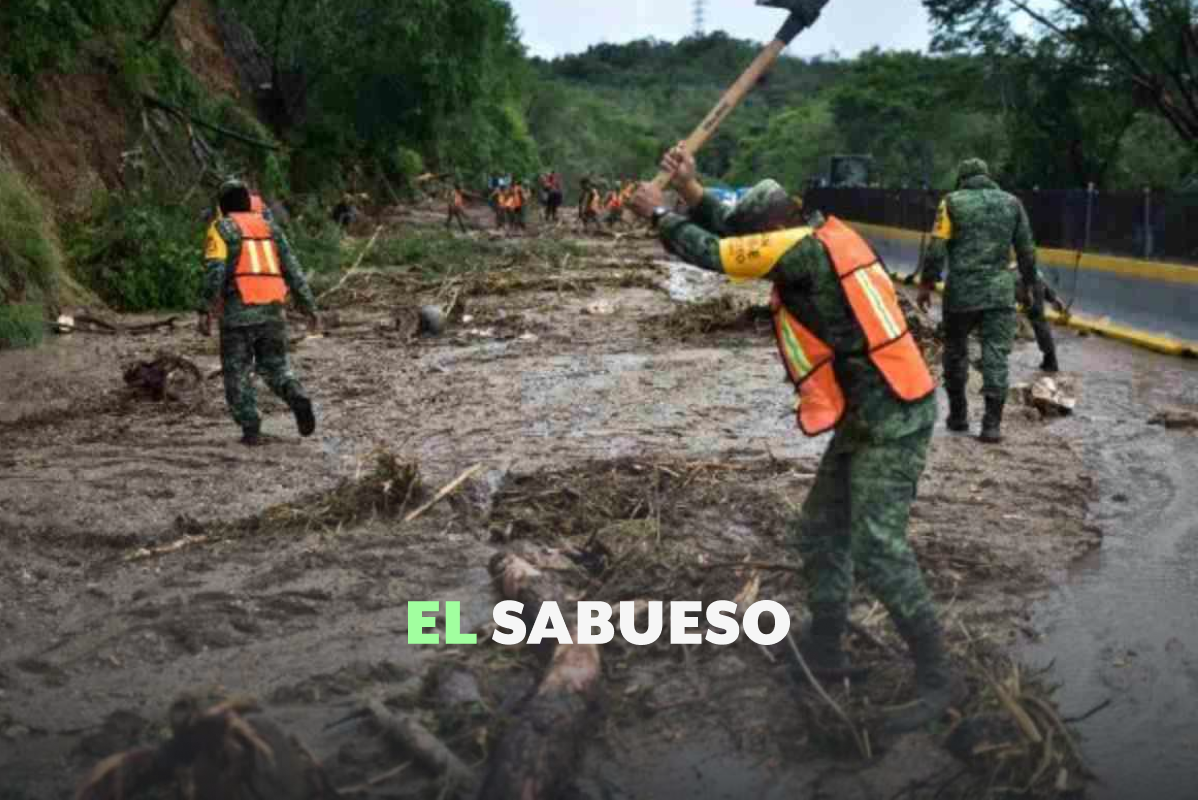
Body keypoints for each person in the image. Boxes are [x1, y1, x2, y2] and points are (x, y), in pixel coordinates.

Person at [628, 145, 953, 733]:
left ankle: (939, 675)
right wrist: (691, 188)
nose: (755, 243)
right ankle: (826, 645)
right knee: (820, 531)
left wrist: (659, 214)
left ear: (776, 227)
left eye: (759, 235)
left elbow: (720, 253)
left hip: (894, 416)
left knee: (877, 547)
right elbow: (735, 232)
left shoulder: (805, 254)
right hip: (867, 414)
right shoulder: (815, 231)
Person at [918, 158, 1038, 443]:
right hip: (1000, 294)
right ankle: (991, 425)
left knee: (955, 352)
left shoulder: (951, 202)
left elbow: (936, 249)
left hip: (962, 294)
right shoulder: (1012, 203)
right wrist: (1028, 285)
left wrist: (926, 285)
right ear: (988, 176)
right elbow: (1026, 250)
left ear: (962, 179)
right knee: (996, 355)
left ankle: (958, 416)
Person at [199, 180, 319, 446]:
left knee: (237, 372)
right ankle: (295, 394)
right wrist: (309, 307)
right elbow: (293, 269)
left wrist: (205, 309)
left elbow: (215, 271)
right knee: (276, 367)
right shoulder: (270, 228)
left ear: (222, 206)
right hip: (273, 310)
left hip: (237, 313)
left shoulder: (221, 229)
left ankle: (251, 429)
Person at [1018, 267, 1064, 373]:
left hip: (1028, 282)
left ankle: (1051, 361)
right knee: (1038, 321)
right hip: (1031, 280)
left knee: (1038, 320)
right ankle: (1048, 359)